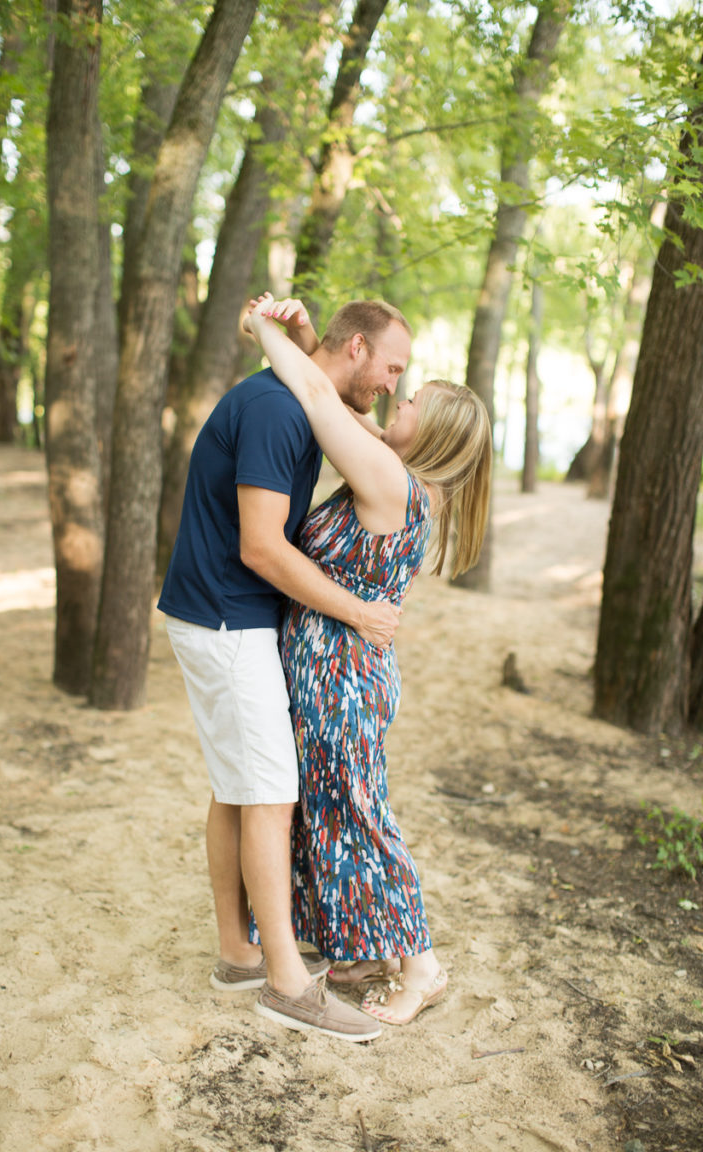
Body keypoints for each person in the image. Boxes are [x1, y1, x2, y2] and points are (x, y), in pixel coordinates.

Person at [158, 297, 414, 1041]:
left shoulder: (301, 398)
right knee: (269, 792)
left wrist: (296, 342)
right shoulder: (276, 410)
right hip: (225, 616)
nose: (393, 386)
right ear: (358, 348)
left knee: (240, 788)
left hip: (226, 614)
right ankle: (285, 983)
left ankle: (241, 953)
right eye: (391, 367)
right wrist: (359, 613)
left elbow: (373, 443)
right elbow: (262, 548)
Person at [244, 294, 492, 1026]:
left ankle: (423, 967)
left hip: (345, 679)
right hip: (338, 672)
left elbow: (319, 394)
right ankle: (354, 946)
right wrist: (299, 335)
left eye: (412, 396)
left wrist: (260, 328)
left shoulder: (390, 482)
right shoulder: (397, 471)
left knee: (358, 813)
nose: (398, 396)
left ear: (432, 429)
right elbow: (331, 397)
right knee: (330, 809)